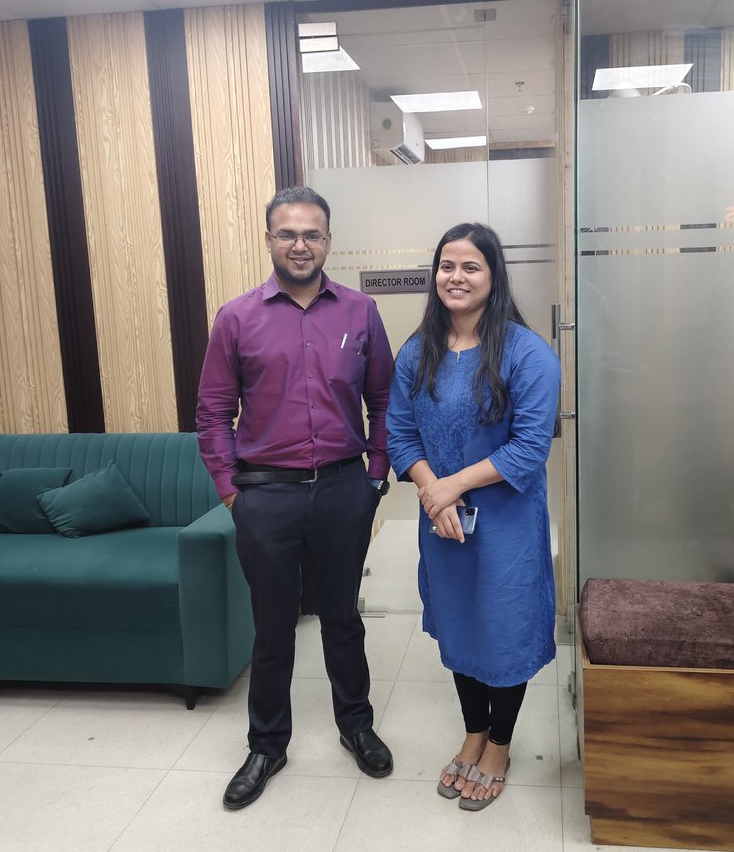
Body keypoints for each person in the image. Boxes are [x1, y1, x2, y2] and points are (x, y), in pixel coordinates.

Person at [196, 186, 395, 811]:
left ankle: (356, 725)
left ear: (328, 240)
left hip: (342, 489)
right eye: (287, 233)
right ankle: (267, 745)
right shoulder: (236, 318)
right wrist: (231, 491)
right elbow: (213, 412)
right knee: (273, 626)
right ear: (269, 240)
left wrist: (374, 476)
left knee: (342, 618)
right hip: (264, 496)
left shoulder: (360, 312)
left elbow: (385, 401)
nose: (300, 244)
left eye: (312, 234)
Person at [386, 222, 561, 811]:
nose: (455, 277)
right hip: (444, 523)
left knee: (503, 629)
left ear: (493, 276)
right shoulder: (418, 351)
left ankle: (500, 745)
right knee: (460, 625)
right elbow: (399, 433)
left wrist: (452, 486)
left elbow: (530, 448)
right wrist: (433, 493)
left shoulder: (526, 352)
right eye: (446, 266)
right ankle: (473, 732)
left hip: (506, 524)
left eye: (470, 267)